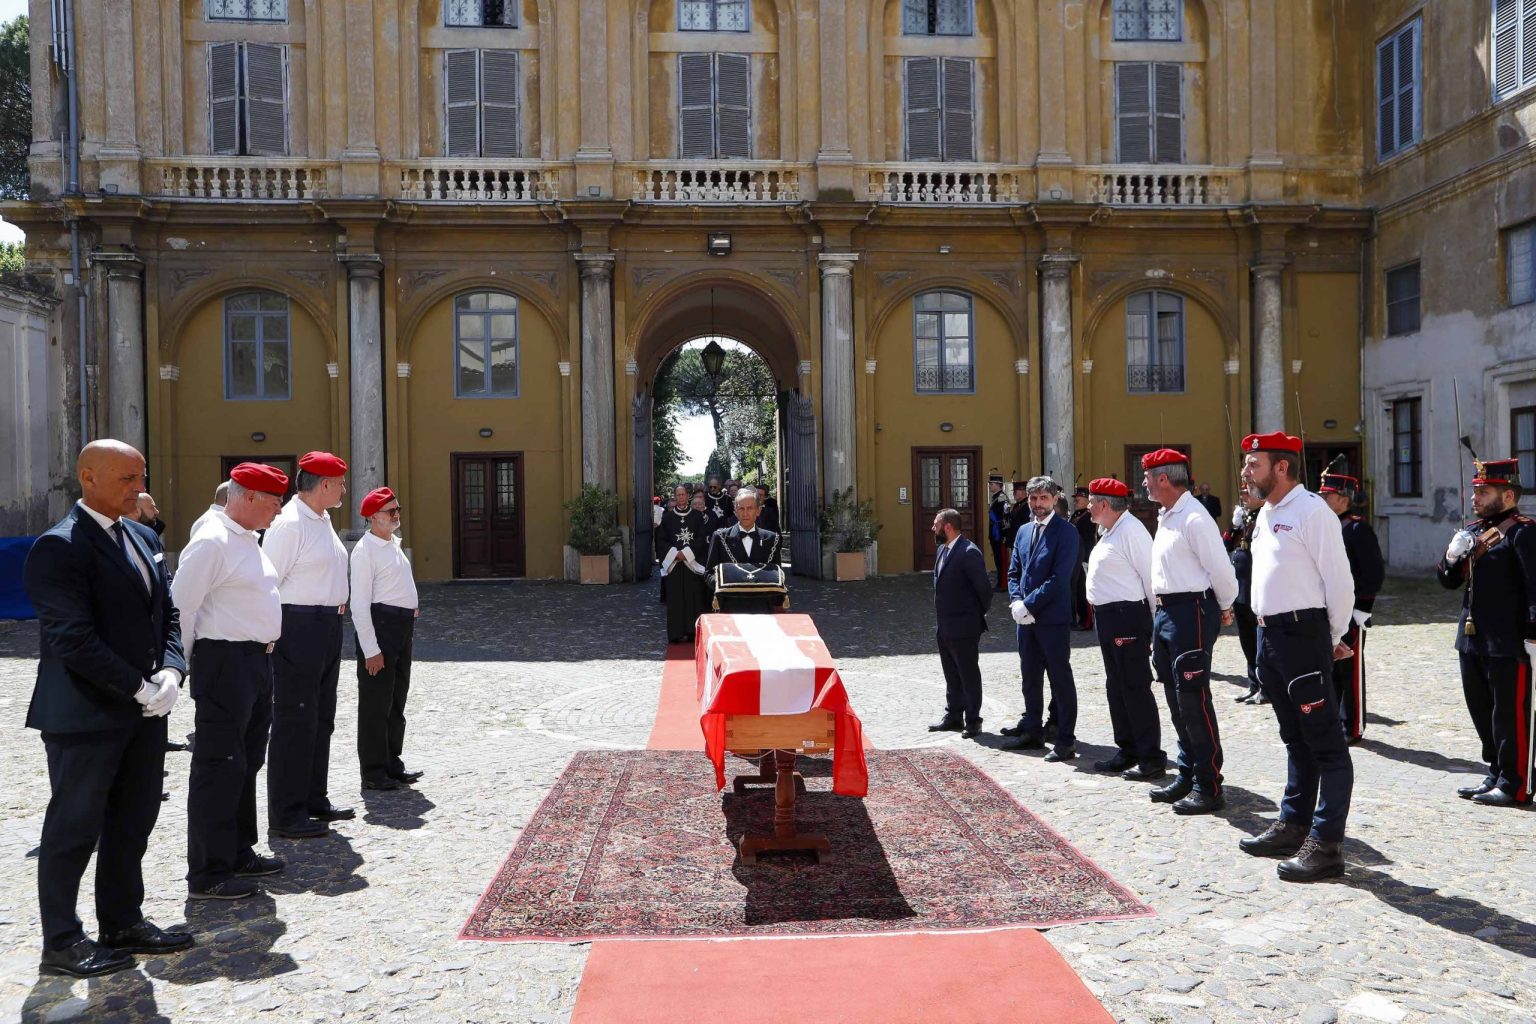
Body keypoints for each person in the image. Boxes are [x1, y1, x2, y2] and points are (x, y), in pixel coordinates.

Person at [23, 440, 192, 978]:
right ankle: (62, 942)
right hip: (86, 714)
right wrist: (138, 687)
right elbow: (72, 638)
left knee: (134, 820)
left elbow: (167, 614)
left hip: (144, 712)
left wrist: (172, 670)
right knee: (74, 828)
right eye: (126, 479)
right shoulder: (59, 546)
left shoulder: (143, 536)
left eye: (141, 477)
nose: (138, 489)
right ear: (88, 478)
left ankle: (122, 921)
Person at [1237, 432, 1357, 881]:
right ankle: (1293, 824)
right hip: (1270, 636)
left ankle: (1326, 846)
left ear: (1282, 467)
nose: (1246, 471)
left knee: (1326, 744)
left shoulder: (1311, 511)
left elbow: (1339, 582)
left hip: (1303, 634)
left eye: (1254, 464)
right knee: (1295, 738)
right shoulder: (1267, 512)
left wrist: (1331, 635)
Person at [172, 462, 288, 900]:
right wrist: (178, 666)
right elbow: (181, 607)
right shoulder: (212, 540)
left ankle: (238, 850)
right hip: (224, 663)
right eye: (273, 501)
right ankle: (208, 871)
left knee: (246, 761)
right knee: (218, 766)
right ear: (248, 497)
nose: (278, 510)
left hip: (255, 662)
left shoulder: (247, 538)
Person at [261, 451, 352, 836]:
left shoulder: (321, 519)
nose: (344, 489)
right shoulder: (290, 523)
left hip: (326, 625)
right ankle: (287, 814)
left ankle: (314, 797)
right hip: (297, 626)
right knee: (295, 719)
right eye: (340, 483)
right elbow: (268, 583)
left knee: (321, 716)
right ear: (324, 484)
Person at [1144, 448, 1239, 815]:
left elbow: (1221, 569)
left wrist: (1226, 605)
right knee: (1176, 700)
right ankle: (1188, 773)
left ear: (1163, 479)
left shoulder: (1195, 517)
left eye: (1148, 477)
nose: (1144, 484)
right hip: (1167, 613)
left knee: (1194, 701)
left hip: (1191, 612)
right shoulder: (1168, 515)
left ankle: (1209, 785)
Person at [1437, 457, 1536, 807]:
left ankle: (1515, 783)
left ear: (1508, 495)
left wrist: (1533, 635)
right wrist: (1452, 558)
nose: (1475, 498)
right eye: (1475, 491)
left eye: (1484, 492)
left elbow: (1535, 587)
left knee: (1510, 716)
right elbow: (1448, 582)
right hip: (1472, 638)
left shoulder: (1523, 532)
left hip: (1509, 641)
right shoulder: (1475, 530)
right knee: (1482, 711)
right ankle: (1496, 772)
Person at [1083, 477, 1165, 779]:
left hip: (1127, 616)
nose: (1087, 507)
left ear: (1105, 504)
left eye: (1091, 502)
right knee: (1116, 686)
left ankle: (1150, 756)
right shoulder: (1110, 530)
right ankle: (1128, 748)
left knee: (1134, 686)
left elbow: (1151, 578)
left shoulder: (1131, 531)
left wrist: (1155, 621)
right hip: (1108, 617)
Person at [350, 488, 424, 792]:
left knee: (396, 697)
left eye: (397, 509)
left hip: (401, 626)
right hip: (381, 626)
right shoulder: (365, 550)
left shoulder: (393, 544)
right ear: (372, 517)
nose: (396, 515)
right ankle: (373, 770)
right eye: (390, 511)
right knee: (375, 702)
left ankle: (392, 760)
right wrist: (371, 649)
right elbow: (358, 605)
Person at [1002, 476, 1079, 762]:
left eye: (1043, 498)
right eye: (1033, 498)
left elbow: (1060, 578)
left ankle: (1065, 740)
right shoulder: (1024, 531)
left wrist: (1029, 604)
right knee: (1030, 677)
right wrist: (1016, 601)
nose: (1038, 504)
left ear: (1055, 499)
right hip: (1025, 620)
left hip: (1052, 619)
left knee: (1060, 679)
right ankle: (1032, 731)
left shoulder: (1066, 532)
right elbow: (1014, 571)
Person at [1318, 472, 1384, 743]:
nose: (1322, 499)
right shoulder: (1324, 527)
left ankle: (1352, 726)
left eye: (1327, 496)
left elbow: (1373, 573)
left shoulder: (1357, 529)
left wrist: (1363, 609)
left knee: (1349, 670)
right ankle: (1333, 722)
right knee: (1329, 668)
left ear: (1343, 499)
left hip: (1351, 611)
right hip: (1325, 608)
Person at [927, 507, 994, 739]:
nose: (932, 528)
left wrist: (972, 617)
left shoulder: (968, 552)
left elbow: (984, 591)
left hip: (965, 627)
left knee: (968, 674)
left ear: (947, 527)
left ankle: (973, 720)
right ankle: (954, 715)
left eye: (936, 525)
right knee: (951, 673)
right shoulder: (942, 550)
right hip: (945, 626)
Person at [705, 487, 784, 613]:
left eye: (750, 508)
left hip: (762, 608)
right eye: (741, 508)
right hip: (730, 607)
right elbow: (708, 574)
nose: (745, 513)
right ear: (735, 511)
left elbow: (777, 573)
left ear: (758, 510)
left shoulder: (771, 538)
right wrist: (724, 582)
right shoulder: (720, 537)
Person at [1225, 490, 1266, 705]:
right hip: (1241, 591)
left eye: (1248, 491)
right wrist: (1234, 526)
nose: (1243, 495)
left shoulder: (1265, 517)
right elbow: (1227, 545)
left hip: (1256, 590)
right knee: (1247, 642)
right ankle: (1253, 685)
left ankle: (1265, 687)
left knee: (1260, 643)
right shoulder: (1246, 517)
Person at [657, 486, 711, 642]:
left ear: (688, 496)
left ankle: (692, 632)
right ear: (675, 496)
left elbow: (701, 538)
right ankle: (676, 634)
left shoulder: (697, 516)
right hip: (674, 564)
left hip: (691, 564)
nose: (680, 497)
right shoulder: (667, 518)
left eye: (683, 494)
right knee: (675, 599)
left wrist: (686, 554)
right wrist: (675, 554)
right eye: (678, 495)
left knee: (693, 597)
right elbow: (661, 540)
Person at [1069, 487, 1097, 630]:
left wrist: (1085, 558)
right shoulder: (1076, 514)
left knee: (1084, 590)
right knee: (1076, 589)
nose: (1075, 502)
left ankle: (1087, 621)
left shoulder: (1089, 516)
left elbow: (1089, 539)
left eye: (1078, 499)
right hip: (1074, 557)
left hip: (1084, 557)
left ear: (1086, 500)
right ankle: (1078, 618)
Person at [987, 474, 1009, 592]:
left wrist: (1003, 534)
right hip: (994, 533)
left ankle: (1003, 583)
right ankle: (1000, 582)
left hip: (999, 534)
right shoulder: (995, 497)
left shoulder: (1002, 498)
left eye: (992, 484)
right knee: (997, 558)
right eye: (990, 484)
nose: (990, 486)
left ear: (998, 485)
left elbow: (1005, 517)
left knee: (1001, 559)